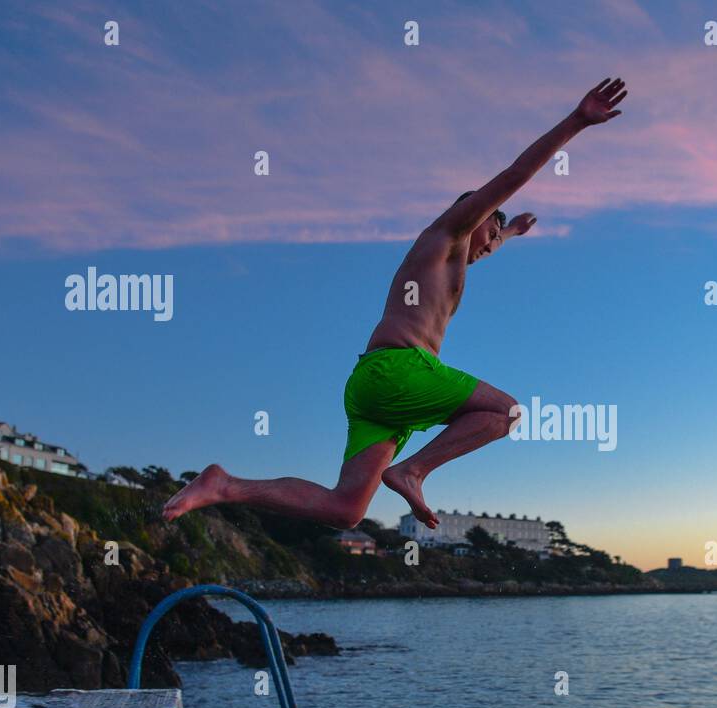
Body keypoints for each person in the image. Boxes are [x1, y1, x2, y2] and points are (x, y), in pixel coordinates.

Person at [163, 78, 628, 530]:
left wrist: (509, 234)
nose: (491, 239)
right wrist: (576, 121)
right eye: (493, 223)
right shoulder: (445, 233)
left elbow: (485, 246)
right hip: (399, 371)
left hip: (377, 392)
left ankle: (225, 486)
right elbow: (514, 175)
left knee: (344, 509)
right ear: (474, 214)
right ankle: (413, 472)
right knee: (506, 413)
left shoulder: (449, 262)